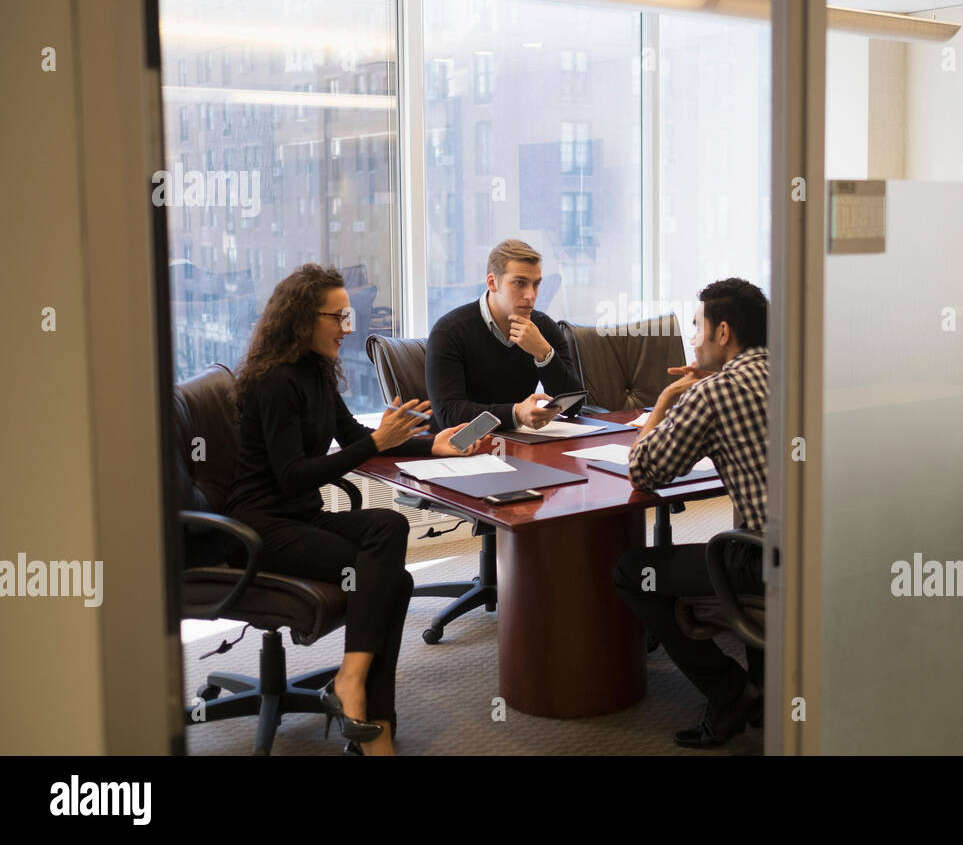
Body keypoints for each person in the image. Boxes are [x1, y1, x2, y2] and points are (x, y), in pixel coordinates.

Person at [225, 264, 485, 755]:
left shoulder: (317, 371)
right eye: (338, 316)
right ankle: (371, 717)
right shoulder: (274, 381)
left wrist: (436, 446)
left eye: (348, 315)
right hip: (262, 524)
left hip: (301, 516)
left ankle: (357, 690)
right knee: (391, 581)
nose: (349, 327)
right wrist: (376, 441)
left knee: (388, 528)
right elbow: (292, 475)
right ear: (303, 318)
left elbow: (355, 440)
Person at [613, 278, 769, 749]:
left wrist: (664, 401)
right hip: (829, 545)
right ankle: (764, 685)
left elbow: (644, 470)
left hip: (765, 561)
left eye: (698, 326)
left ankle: (730, 692)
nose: (693, 338)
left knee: (631, 572)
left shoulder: (713, 394)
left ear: (724, 333)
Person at [426, 239, 582, 431]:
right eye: (520, 283)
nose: (530, 295)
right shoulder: (449, 332)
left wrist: (544, 354)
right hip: (460, 449)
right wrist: (516, 414)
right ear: (493, 283)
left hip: (519, 442)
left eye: (536, 284)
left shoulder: (543, 328)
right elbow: (449, 414)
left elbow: (574, 406)